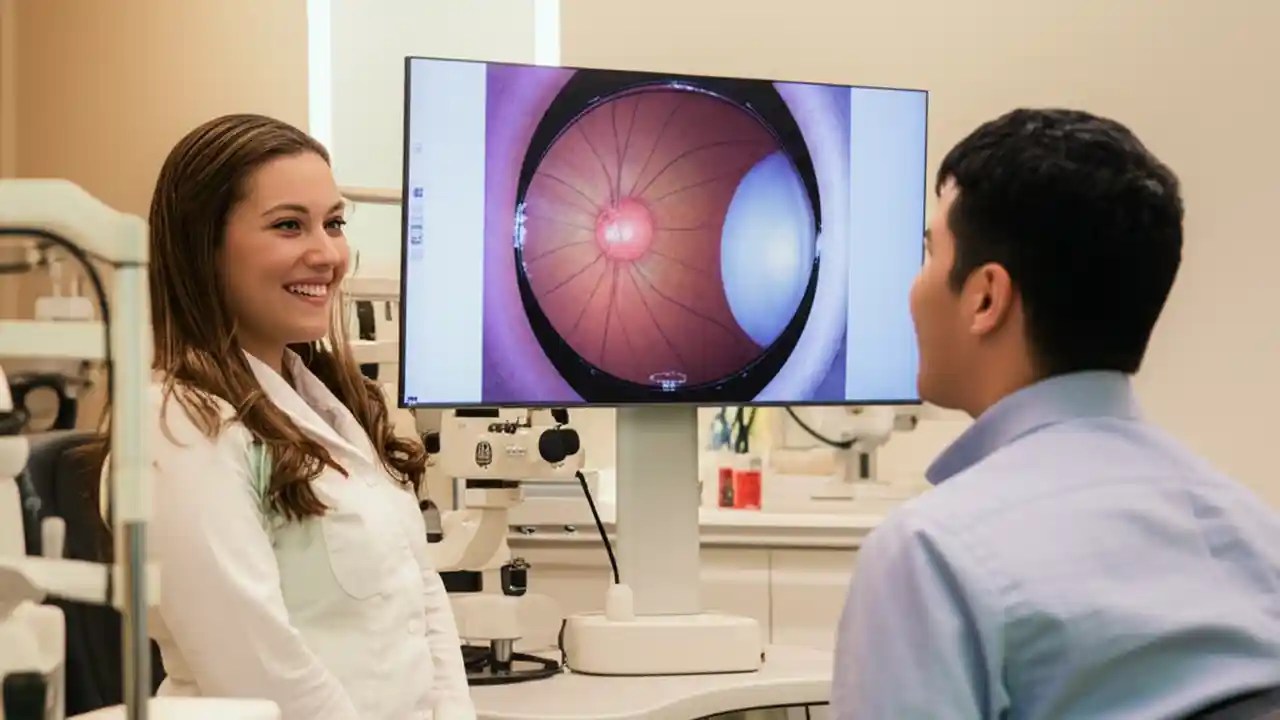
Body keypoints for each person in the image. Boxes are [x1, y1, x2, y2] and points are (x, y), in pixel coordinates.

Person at [831, 108, 1280, 719]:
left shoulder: (932, 555)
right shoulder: (1258, 535)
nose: (914, 287)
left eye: (929, 253)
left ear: (986, 296)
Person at [111, 114, 474, 719]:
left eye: (334, 223)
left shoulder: (332, 409)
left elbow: (423, 602)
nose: (327, 253)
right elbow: (255, 666)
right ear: (205, 248)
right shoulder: (176, 427)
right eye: (288, 226)